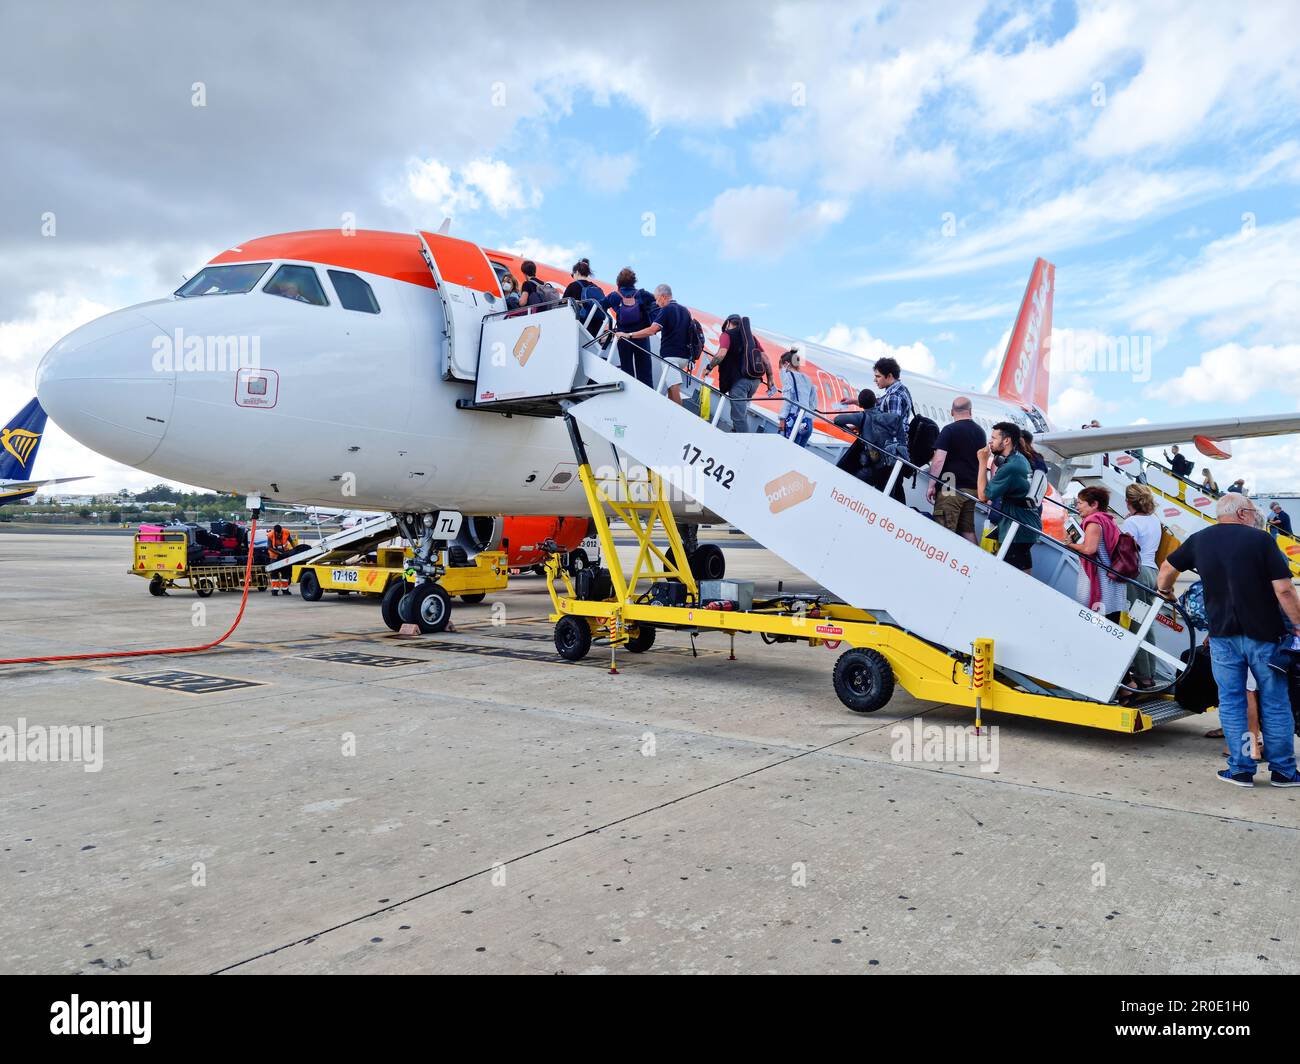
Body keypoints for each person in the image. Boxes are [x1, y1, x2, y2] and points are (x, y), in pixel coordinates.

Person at [1157, 493, 1300, 787]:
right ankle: (1284, 771)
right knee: (1274, 702)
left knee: (1232, 701)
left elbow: (1167, 570)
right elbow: (1284, 590)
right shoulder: (1261, 541)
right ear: (1244, 513)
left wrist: (1166, 593)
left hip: (1222, 636)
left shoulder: (1200, 539)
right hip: (1265, 637)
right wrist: (1298, 625)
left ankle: (1241, 769)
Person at [977, 421, 1041, 572]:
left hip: (1017, 529)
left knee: (1008, 575)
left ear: (1006, 441)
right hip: (1027, 526)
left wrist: (982, 462)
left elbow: (983, 496)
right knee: (1023, 570)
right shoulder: (1019, 459)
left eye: (994, 438)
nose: (990, 442)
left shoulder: (1010, 467)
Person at [616, 284, 691, 405]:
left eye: (657, 299)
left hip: (671, 356)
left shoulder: (666, 309)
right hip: (685, 356)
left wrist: (628, 335)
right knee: (670, 387)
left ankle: (678, 417)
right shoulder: (685, 311)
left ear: (663, 296)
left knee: (674, 388)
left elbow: (652, 330)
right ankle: (671, 411)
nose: (656, 302)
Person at [927, 396, 985, 544]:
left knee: (943, 529)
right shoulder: (981, 432)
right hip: (972, 489)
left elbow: (939, 459)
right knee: (967, 531)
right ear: (970, 411)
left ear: (952, 412)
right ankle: (977, 563)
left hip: (950, 487)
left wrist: (931, 485)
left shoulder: (949, 430)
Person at [703, 314, 774, 432]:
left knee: (738, 417)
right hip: (754, 382)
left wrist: (709, 367)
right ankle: (735, 432)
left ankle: (742, 441)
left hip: (739, 381)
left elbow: (721, 354)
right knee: (741, 410)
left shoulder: (727, 335)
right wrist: (770, 378)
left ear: (728, 322)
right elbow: (765, 358)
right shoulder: (751, 337)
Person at [1122, 483, 1162, 689]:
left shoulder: (1131, 523)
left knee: (1136, 623)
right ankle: (1149, 671)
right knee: (1146, 623)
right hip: (1152, 572)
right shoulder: (1154, 519)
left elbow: (1126, 552)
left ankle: (1142, 674)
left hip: (1136, 575)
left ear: (1129, 502)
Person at [1073, 485, 1127, 618]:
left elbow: (1089, 549)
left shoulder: (1094, 522)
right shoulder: (1109, 520)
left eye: (1080, 503)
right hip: (1113, 583)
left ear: (1094, 504)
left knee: (1095, 623)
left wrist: (1070, 544)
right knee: (1111, 621)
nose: (1077, 507)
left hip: (1102, 582)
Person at [603, 268, 657, 388]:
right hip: (641, 337)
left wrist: (608, 325)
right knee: (645, 372)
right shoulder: (642, 294)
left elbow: (600, 306)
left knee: (627, 370)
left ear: (618, 282)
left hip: (623, 337)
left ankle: (629, 398)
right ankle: (647, 400)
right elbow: (657, 302)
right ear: (634, 281)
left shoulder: (614, 296)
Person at [872, 357, 913, 504]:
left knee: (889, 490)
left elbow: (892, 425)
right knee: (895, 489)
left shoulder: (894, 396)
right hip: (898, 451)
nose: (875, 380)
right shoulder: (901, 390)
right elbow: (880, 403)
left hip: (890, 452)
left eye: (878, 376)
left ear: (889, 376)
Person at [833, 390, 880, 483]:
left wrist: (848, 429)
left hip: (863, 454)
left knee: (840, 474)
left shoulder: (861, 416)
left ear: (861, 405)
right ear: (875, 401)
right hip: (877, 457)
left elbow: (837, 420)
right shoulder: (882, 414)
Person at [776, 347, 814, 446]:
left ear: (785, 364)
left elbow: (787, 400)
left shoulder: (788, 376)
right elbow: (813, 403)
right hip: (808, 423)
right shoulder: (808, 379)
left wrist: (781, 420)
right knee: (797, 455)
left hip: (794, 421)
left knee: (785, 452)